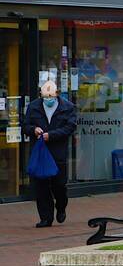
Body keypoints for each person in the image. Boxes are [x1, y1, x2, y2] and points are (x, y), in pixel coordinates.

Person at [22, 80, 78, 228]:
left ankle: (61, 206)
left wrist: (51, 135)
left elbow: (70, 127)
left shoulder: (68, 107)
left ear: (57, 94)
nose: (48, 100)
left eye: (51, 97)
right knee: (41, 186)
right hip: (40, 152)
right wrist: (33, 129)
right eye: (45, 97)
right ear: (41, 95)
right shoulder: (33, 107)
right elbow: (25, 125)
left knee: (59, 185)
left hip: (58, 153)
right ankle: (46, 218)